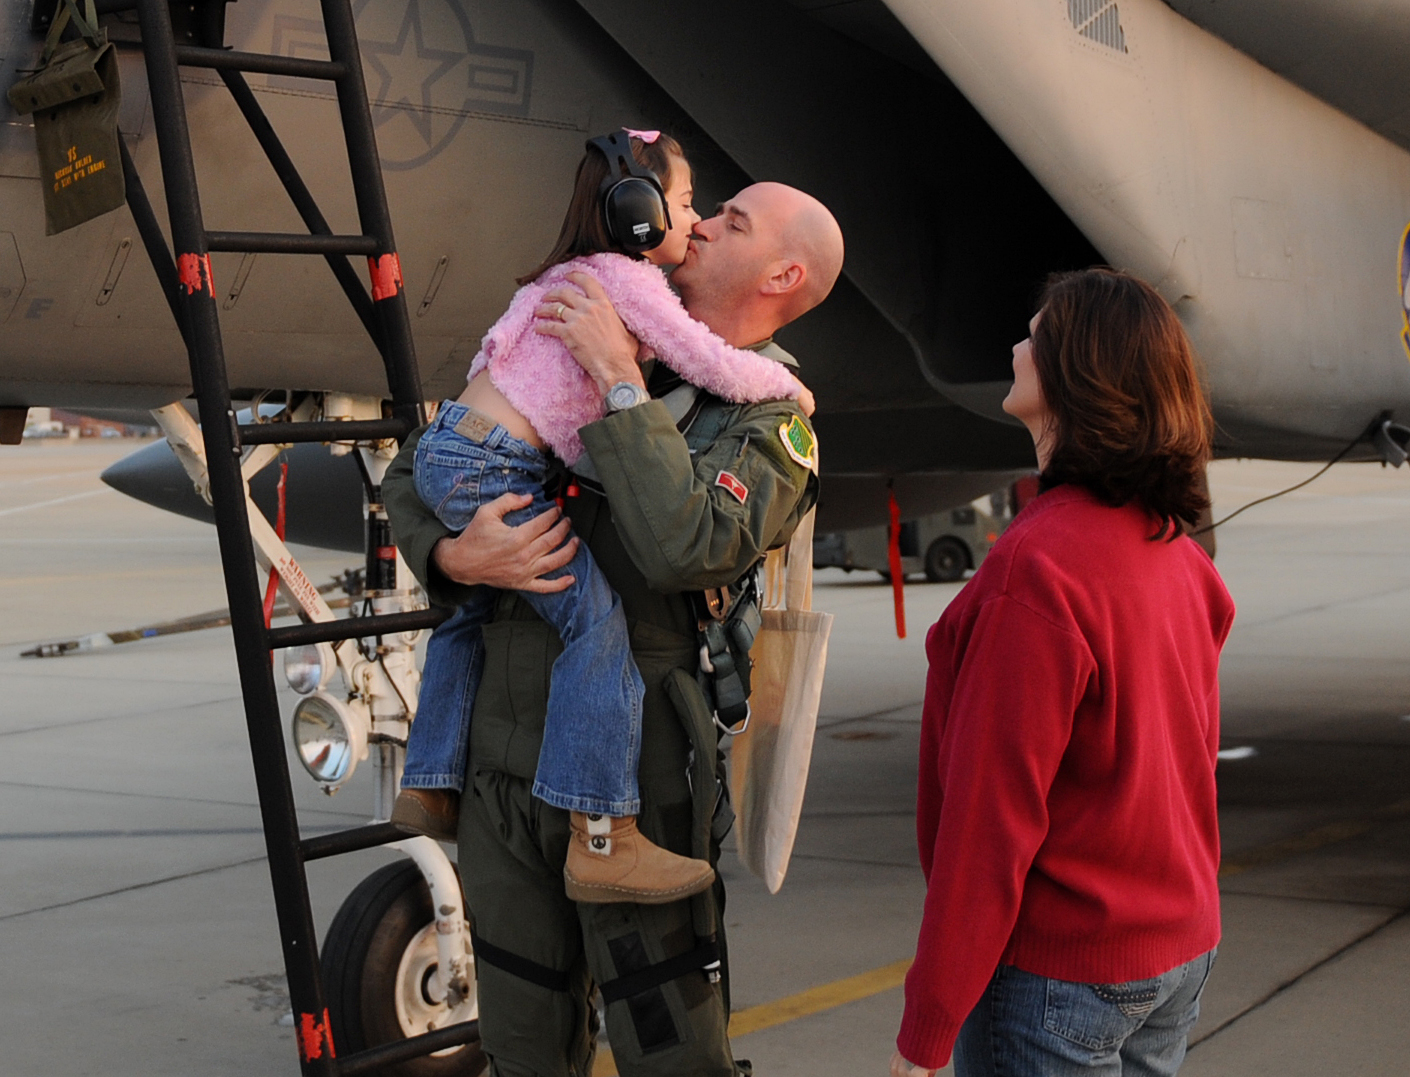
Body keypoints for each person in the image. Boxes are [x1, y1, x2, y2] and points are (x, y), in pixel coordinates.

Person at [384, 178, 844, 1076]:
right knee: (519, 1040)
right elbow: (423, 463)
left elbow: (690, 544)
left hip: (636, 776)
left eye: (731, 222)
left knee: (665, 1040)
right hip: (505, 761)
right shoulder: (613, 330)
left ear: (783, 272)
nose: (699, 224)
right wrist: (453, 558)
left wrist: (621, 384)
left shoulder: (769, 417)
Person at [892, 268, 1235, 1077]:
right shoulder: (1180, 558)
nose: (1015, 346)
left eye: (1037, 334)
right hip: (1177, 951)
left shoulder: (1038, 569)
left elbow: (990, 813)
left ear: (1078, 374)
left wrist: (929, 1020)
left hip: (1062, 975)